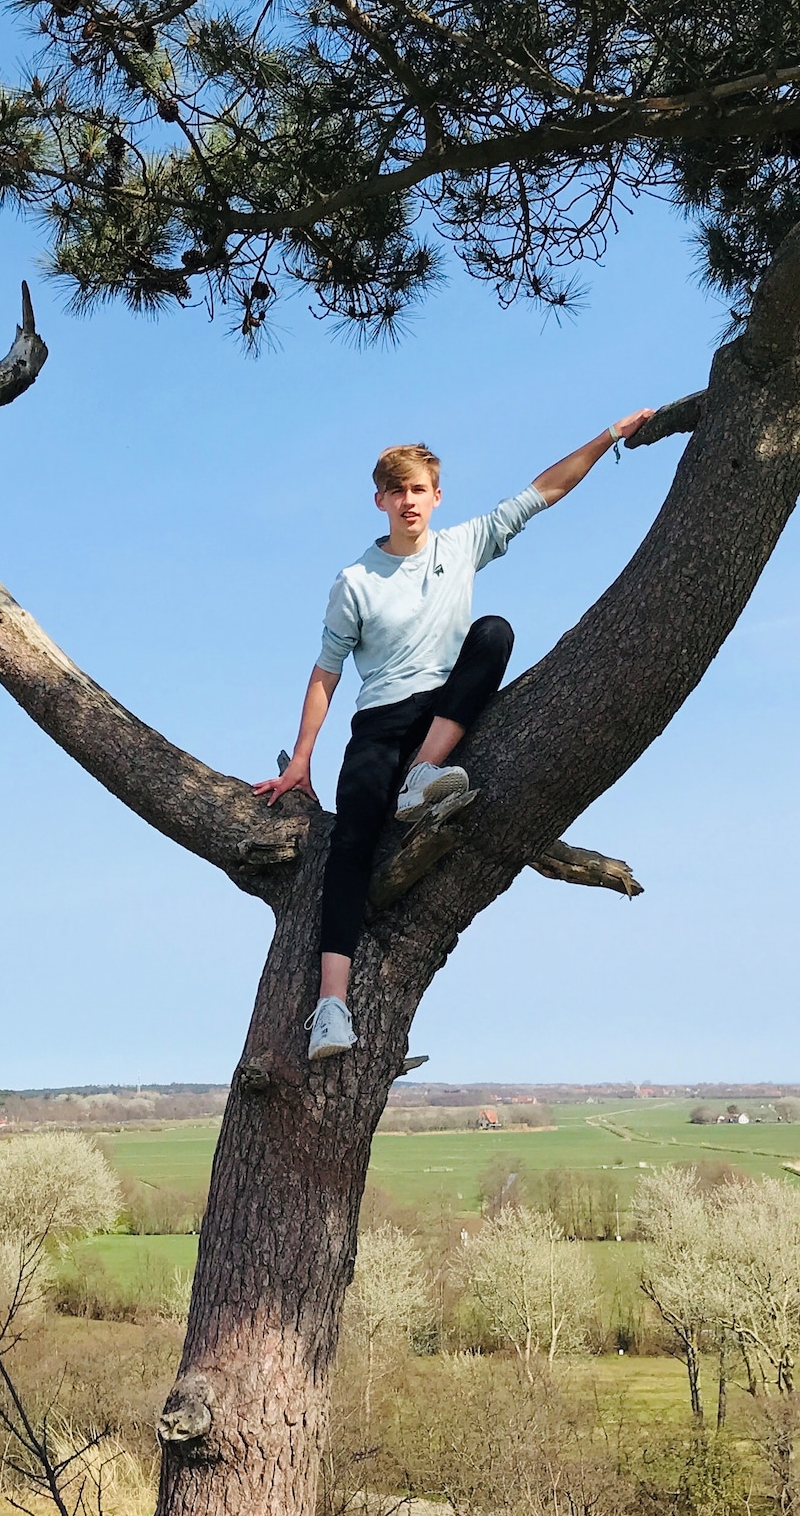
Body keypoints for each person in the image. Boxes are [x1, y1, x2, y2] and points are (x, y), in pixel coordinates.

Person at [254, 410, 655, 1061]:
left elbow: (543, 491)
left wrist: (610, 437)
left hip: (445, 713)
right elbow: (325, 673)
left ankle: (424, 777)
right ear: (381, 500)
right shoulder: (355, 582)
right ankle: (332, 1008)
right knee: (349, 847)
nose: (409, 501)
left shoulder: (463, 545)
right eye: (397, 491)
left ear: (435, 496)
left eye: (419, 490)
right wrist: (301, 759)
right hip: (379, 726)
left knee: (493, 632)